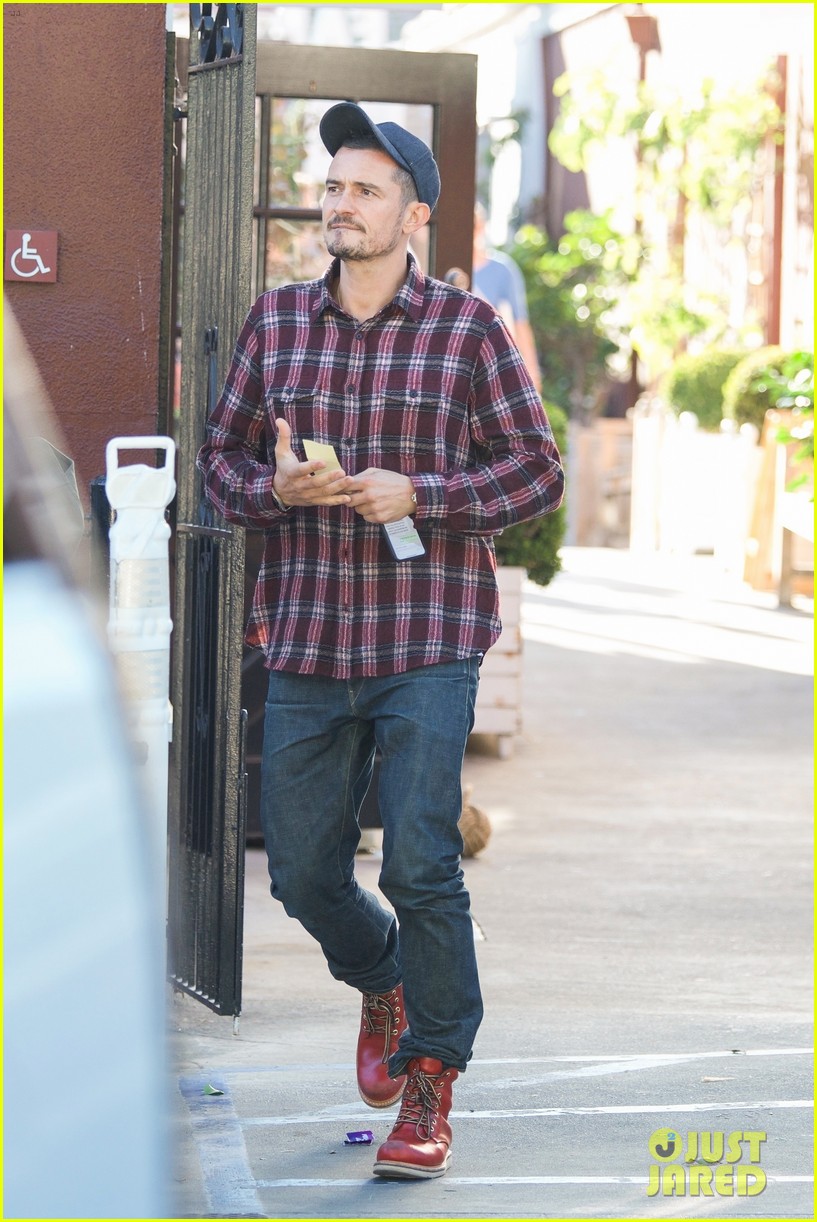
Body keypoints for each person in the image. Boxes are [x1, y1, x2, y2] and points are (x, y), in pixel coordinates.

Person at [197, 102, 564, 1181]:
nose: (337, 203)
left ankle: (430, 1075)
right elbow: (219, 464)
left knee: (420, 858)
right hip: (308, 631)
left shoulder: (467, 332)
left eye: (361, 188)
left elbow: (536, 472)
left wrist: (428, 492)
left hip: (428, 634)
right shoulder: (276, 325)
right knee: (304, 871)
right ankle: (383, 976)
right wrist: (274, 487)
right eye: (331, 186)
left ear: (414, 213)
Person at [472, 202, 543, 395]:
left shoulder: (503, 271)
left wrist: (532, 378)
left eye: (475, 225)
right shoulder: (451, 270)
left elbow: (520, 324)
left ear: (482, 226)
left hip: (496, 366)